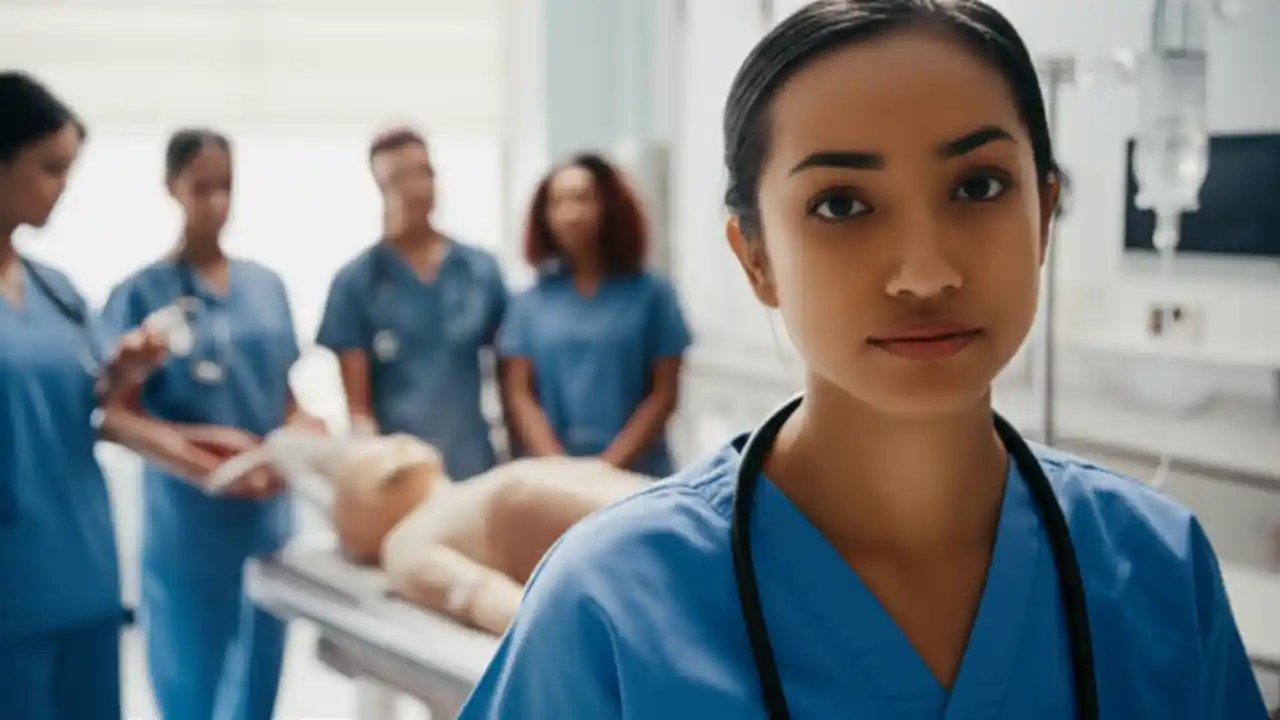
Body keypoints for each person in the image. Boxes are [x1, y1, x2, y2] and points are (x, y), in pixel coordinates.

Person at [460, 2, 1269, 718]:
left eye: (980, 187)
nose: (925, 273)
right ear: (756, 259)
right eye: (841, 204)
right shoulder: (612, 603)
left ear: (1045, 214)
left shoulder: (1158, 571)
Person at [101, 128, 322, 720]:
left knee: (258, 681)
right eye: (202, 187)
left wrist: (309, 438)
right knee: (192, 683)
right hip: (187, 528)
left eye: (226, 187)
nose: (216, 202)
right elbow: (115, 412)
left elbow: (283, 398)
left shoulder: (266, 288)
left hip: (266, 518)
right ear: (172, 188)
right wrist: (202, 464)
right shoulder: (141, 294)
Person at [0, 71, 168, 720]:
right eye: (49, 168)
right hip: (12, 595)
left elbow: (96, 411)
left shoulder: (58, 292)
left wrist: (127, 369)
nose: (62, 187)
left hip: (84, 576)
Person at [316, 126, 508, 481]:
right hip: (398, 476)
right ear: (379, 187)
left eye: (425, 173)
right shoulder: (356, 283)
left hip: (474, 464)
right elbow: (359, 412)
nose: (418, 188)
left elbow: (510, 379)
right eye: (400, 178)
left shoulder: (480, 270)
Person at [499, 153, 692, 477]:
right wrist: (559, 470)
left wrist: (607, 470)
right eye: (557, 202)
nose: (570, 214)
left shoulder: (653, 295)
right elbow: (519, 393)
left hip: (637, 476)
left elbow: (664, 393)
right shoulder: (529, 304)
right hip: (554, 480)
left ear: (608, 206)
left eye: (582, 199)